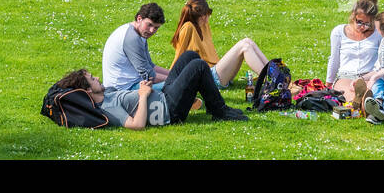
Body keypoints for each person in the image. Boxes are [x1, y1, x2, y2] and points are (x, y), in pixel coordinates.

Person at [53, 58, 247, 128]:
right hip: (169, 110)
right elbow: (136, 125)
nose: (97, 78)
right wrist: (143, 95)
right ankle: (219, 111)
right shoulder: (107, 107)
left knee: (189, 56)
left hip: (164, 96)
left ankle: (215, 108)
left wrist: (144, 87)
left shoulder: (108, 92)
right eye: (92, 79)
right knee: (198, 66)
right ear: (87, 90)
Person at [169, 0, 272, 91]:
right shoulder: (188, 28)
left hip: (217, 71)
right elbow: (179, 55)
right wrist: (170, 78)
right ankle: (273, 82)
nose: (208, 17)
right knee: (244, 47)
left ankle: (275, 74)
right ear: (201, 16)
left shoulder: (204, 25)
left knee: (248, 41)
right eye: (206, 14)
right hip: (209, 77)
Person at [326, 0, 382, 110]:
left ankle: (361, 103)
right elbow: (334, 59)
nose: (363, 27)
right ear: (353, 16)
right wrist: (328, 83)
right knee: (348, 90)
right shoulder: (339, 32)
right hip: (346, 75)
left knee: (370, 88)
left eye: (367, 23)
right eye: (359, 22)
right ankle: (360, 104)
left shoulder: (378, 34)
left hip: (367, 75)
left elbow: (382, 61)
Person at [102, 2, 171, 91]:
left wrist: (173, 75)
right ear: (139, 19)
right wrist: (177, 80)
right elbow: (149, 75)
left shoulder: (140, 33)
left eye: (156, 28)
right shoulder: (132, 38)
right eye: (149, 25)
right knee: (176, 86)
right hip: (121, 90)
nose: (151, 31)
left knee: (178, 80)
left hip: (134, 82)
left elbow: (150, 65)